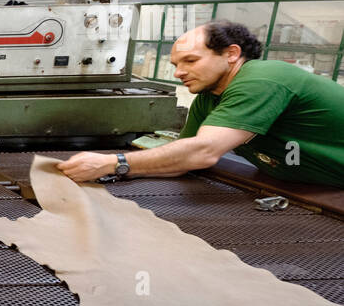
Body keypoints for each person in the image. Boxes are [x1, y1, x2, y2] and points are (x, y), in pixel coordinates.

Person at [59, 20, 344, 187]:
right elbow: (183, 159)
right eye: (175, 64)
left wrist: (112, 162)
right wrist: (117, 169)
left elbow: (203, 152)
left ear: (231, 54)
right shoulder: (209, 98)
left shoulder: (264, 79)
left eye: (191, 61)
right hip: (306, 185)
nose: (179, 72)